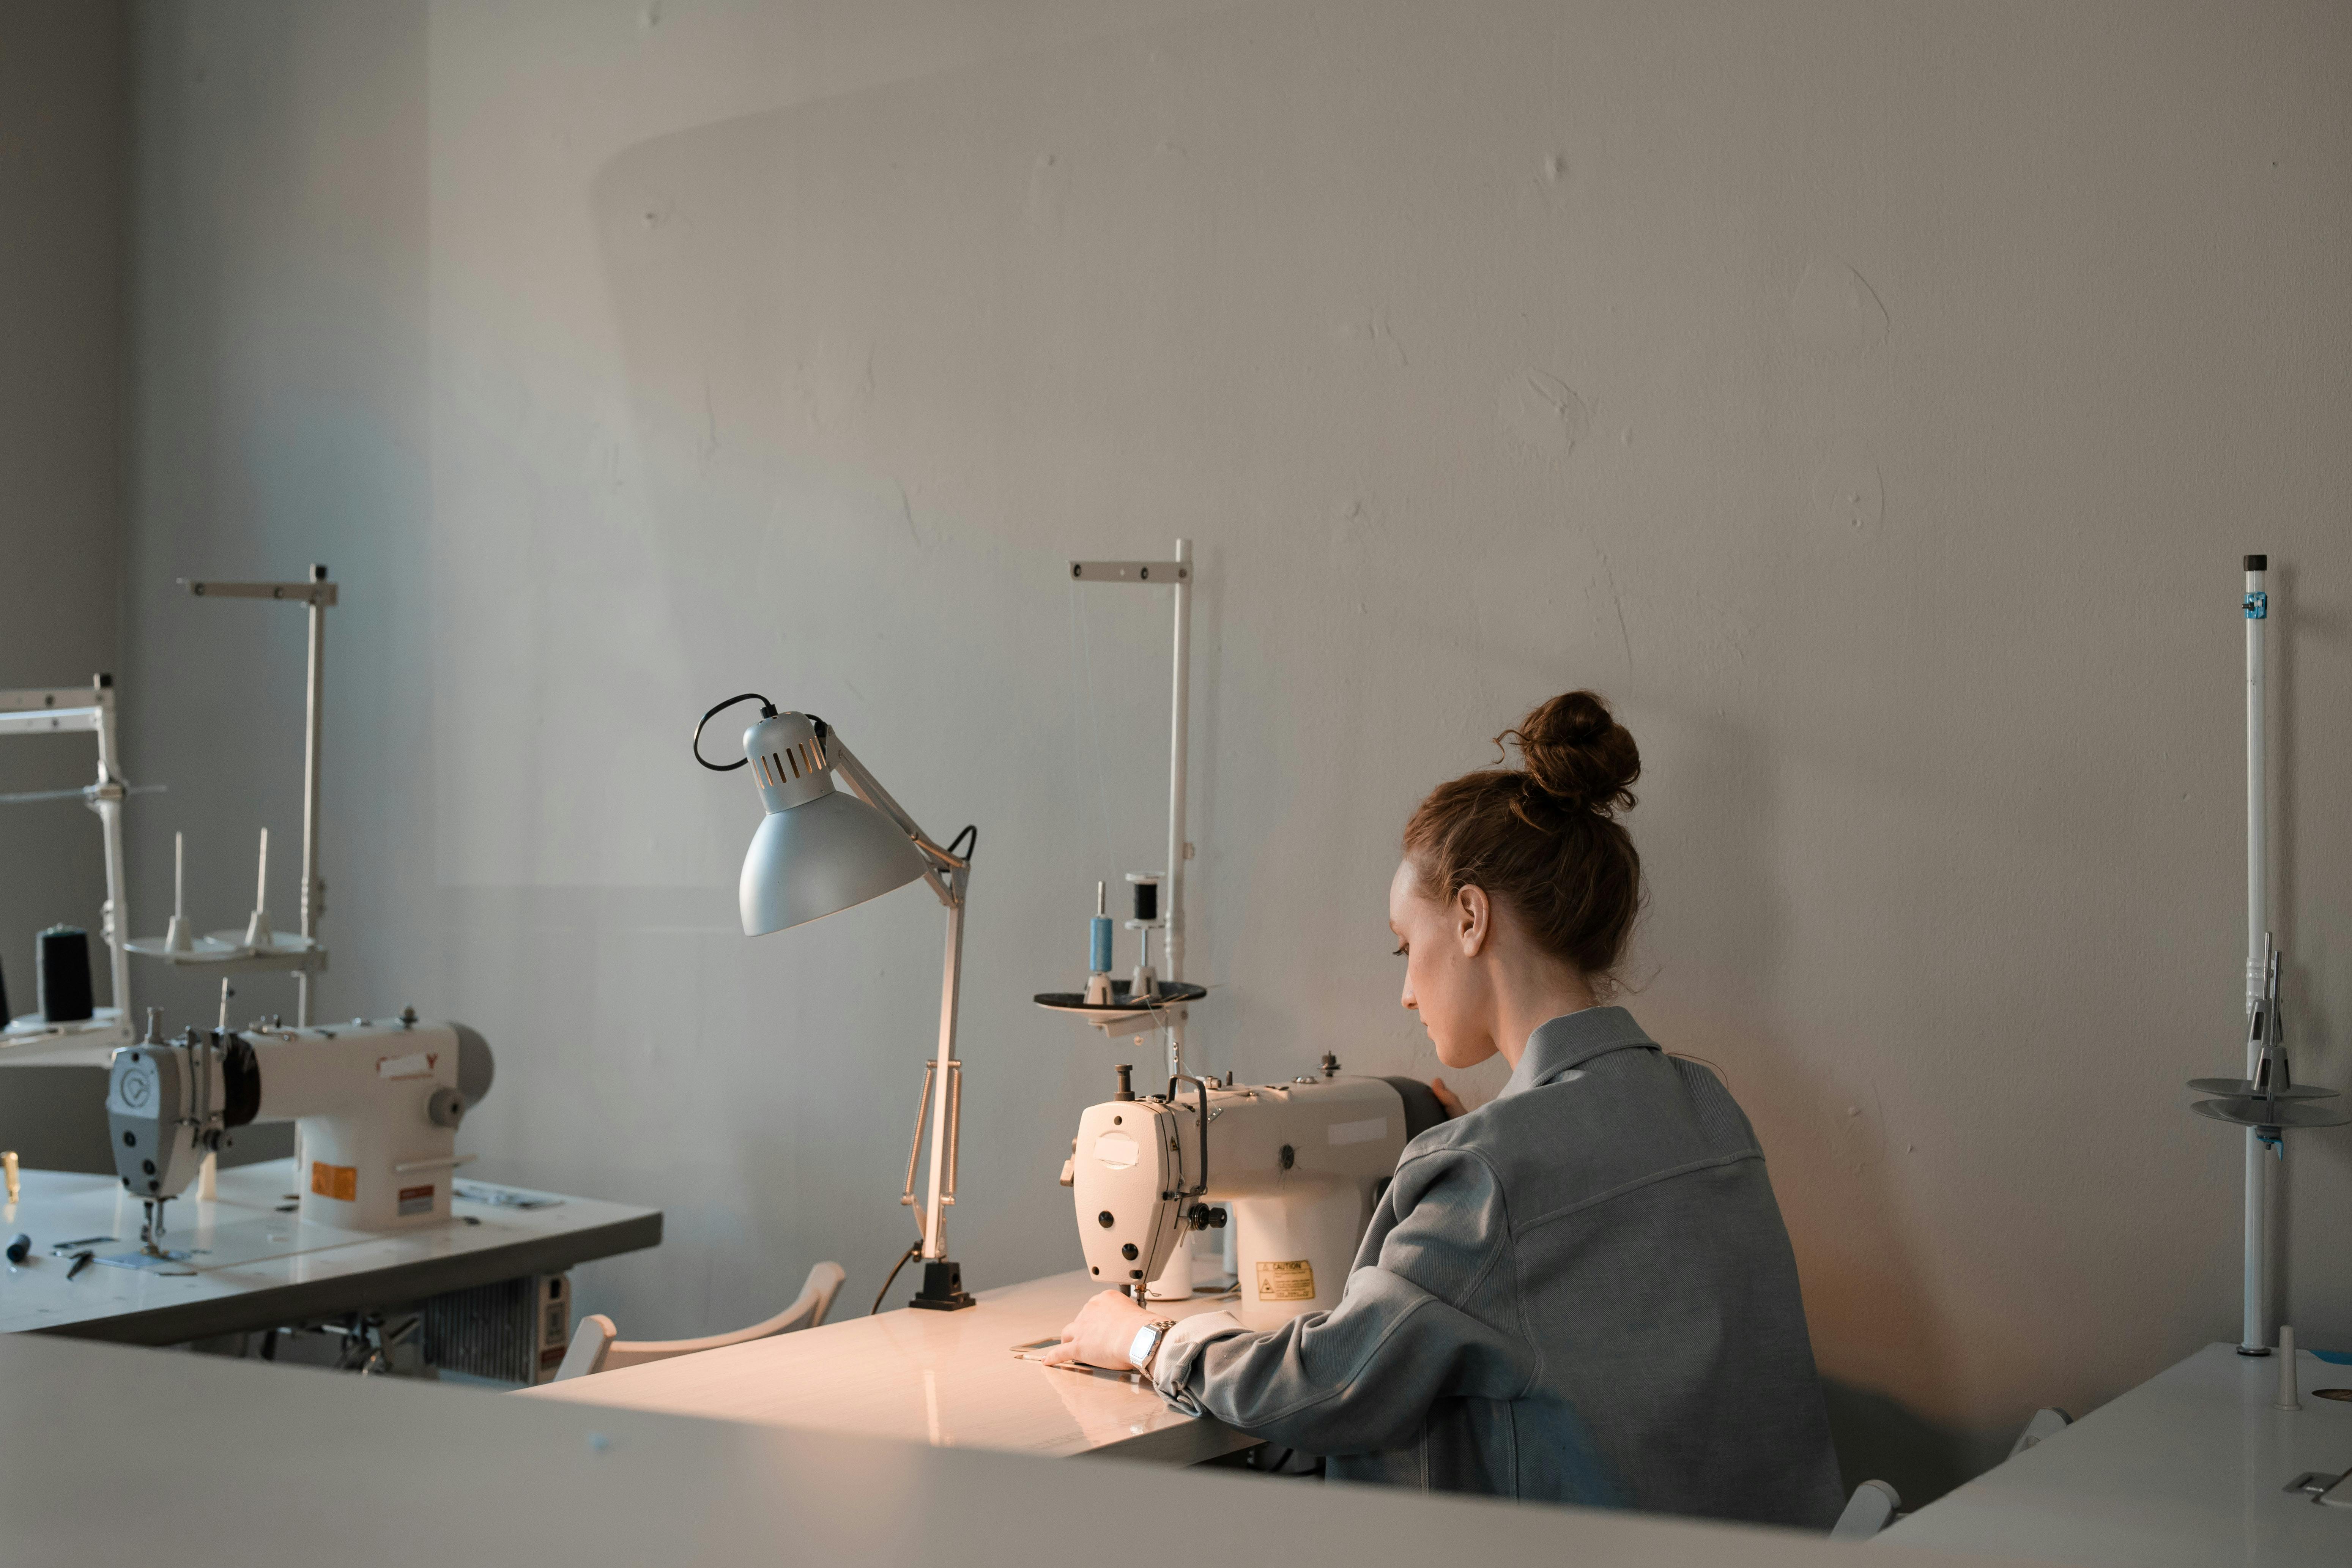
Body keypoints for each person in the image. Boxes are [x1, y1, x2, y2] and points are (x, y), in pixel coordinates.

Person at [1041, 691, 1845, 1525]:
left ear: (1469, 917)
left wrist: (1144, 1340)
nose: (1404, 990)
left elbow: (1328, 1388)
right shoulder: (1710, 1110)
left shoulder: (1486, 1172)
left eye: (1405, 945)